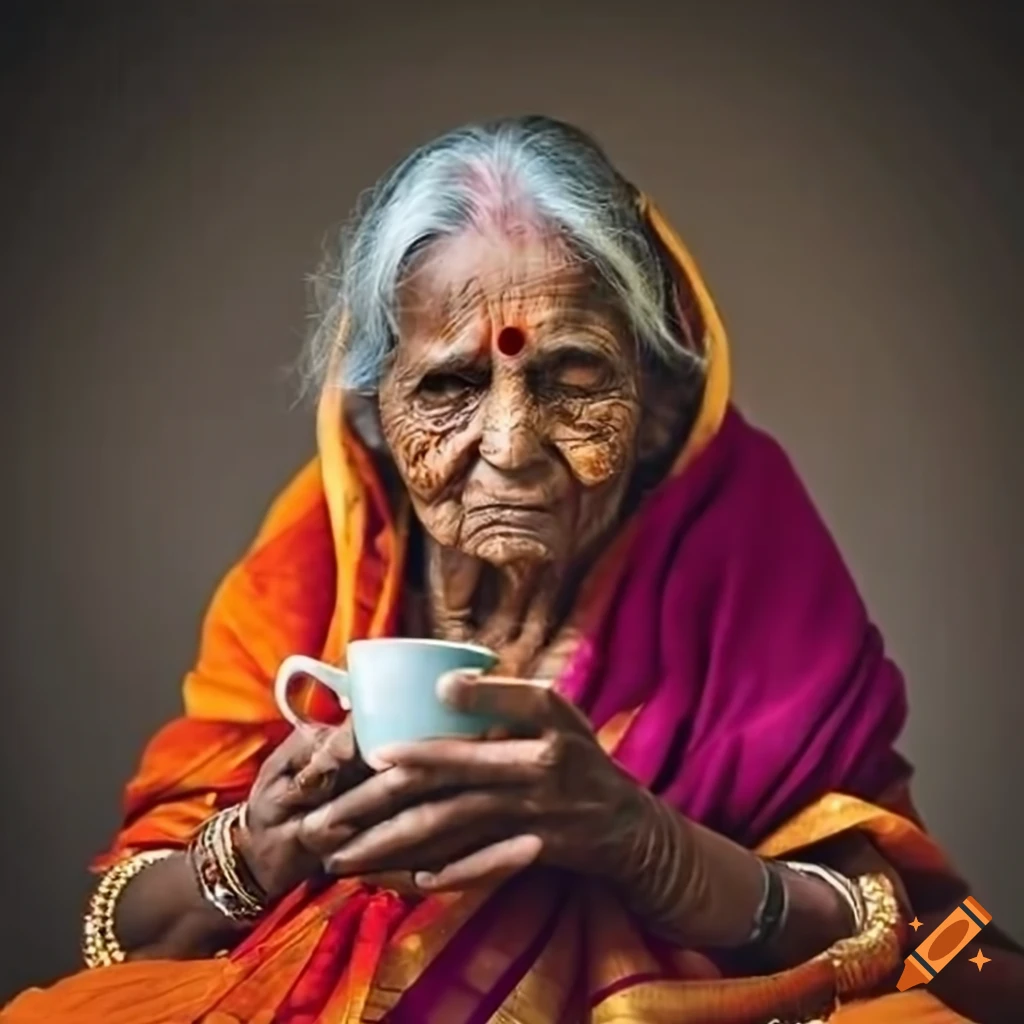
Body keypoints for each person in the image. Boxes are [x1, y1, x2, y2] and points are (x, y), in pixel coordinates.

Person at [4, 116, 1020, 1024]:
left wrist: (647, 842)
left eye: (573, 377)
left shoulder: (741, 548)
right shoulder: (321, 564)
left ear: (661, 394)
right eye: (447, 385)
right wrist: (263, 848)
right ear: (373, 408)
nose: (510, 443)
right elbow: (130, 922)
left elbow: (892, 916)